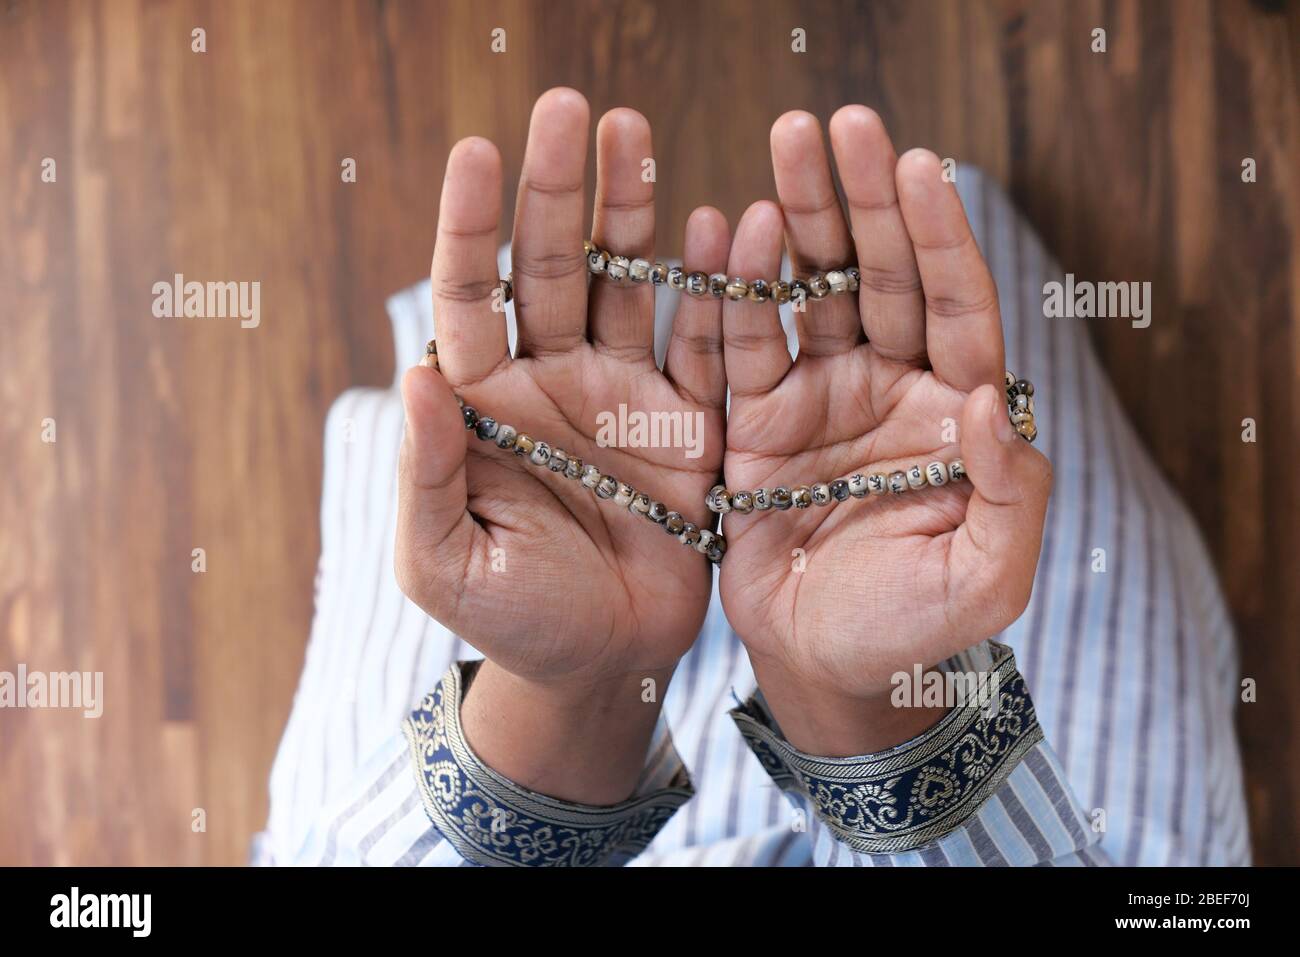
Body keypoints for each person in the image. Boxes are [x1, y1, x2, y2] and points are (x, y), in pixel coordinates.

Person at [253, 88, 1250, 867]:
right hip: (941, 703)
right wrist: (853, 698)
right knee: (959, 332)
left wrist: (578, 685)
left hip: (533, 653)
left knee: (493, 398)